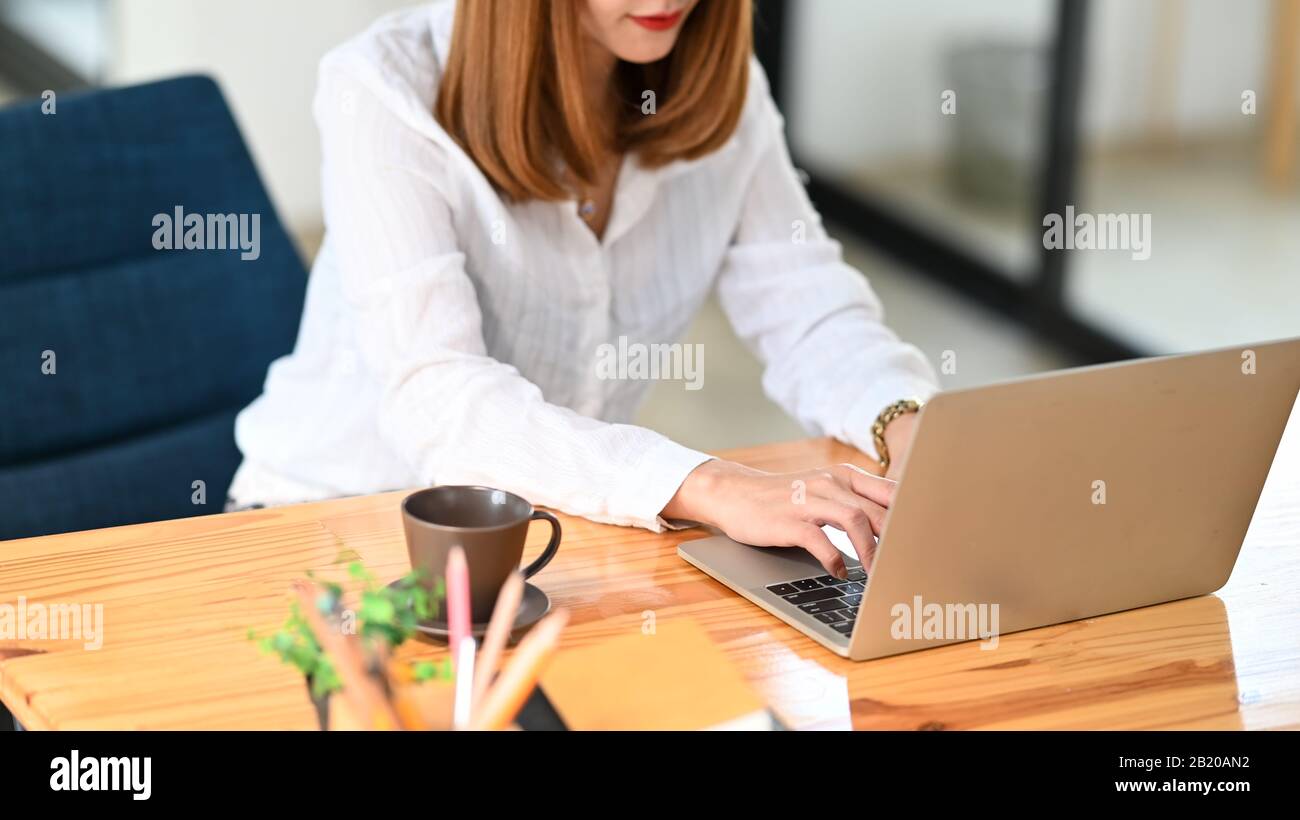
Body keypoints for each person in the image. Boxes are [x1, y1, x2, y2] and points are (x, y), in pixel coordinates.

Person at [230, 0, 938, 578]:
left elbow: (806, 305)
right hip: (331, 534)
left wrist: (910, 430)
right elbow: (440, 396)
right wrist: (712, 485)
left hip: (545, 533)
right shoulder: (383, 89)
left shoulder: (719, 88)